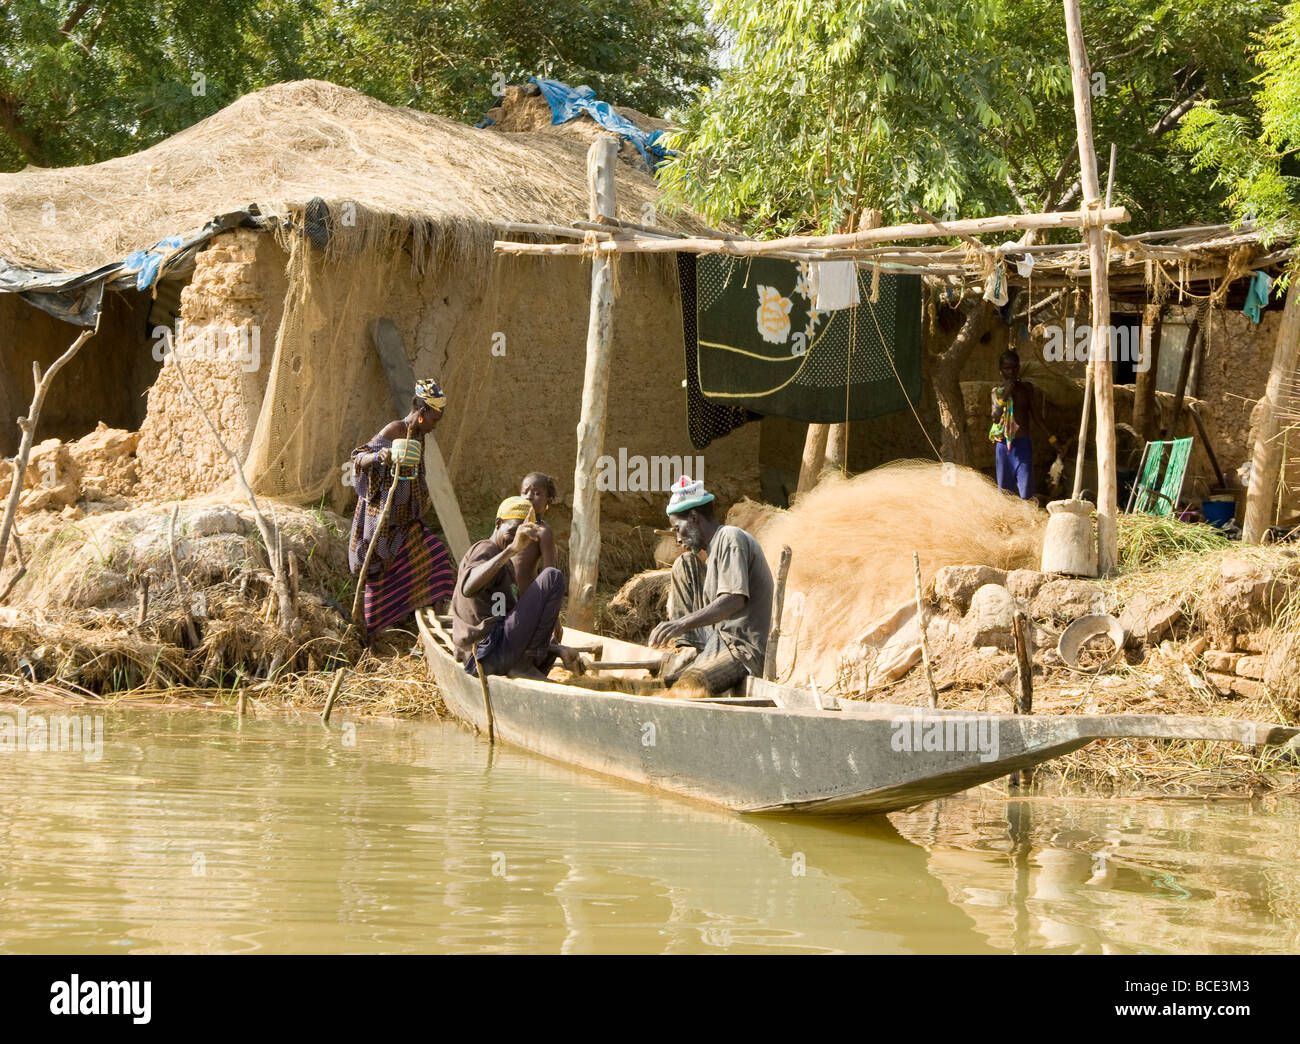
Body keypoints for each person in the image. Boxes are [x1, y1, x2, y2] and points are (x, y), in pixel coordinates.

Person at [348, 378, 455, 636]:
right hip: (382, 520)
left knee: (437, 557)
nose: (434, 425)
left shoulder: (418, 434)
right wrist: (377, 456)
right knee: (377, 571)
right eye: (434, 419)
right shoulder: (394, 430)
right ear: (421, 413)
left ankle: (433, 626)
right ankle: (373, 634)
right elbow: (357, 458)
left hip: (405, 520)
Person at [648, 477, 774, 696]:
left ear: (694, 517)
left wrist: (681, 623)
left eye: (678, 528)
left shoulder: (730, 537)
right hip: (718, 641)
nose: (678, 538)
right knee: (684, 563)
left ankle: (699, 666)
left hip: (742, 650)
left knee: (686, 688)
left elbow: (734, 599)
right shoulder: (712, 550)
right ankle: (695, 649)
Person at [452, 495, 578, 680]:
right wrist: (511, 550)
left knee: (545, 632)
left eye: (523, 537)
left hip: (495, 650)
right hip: (482, 653)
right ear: (498, 524)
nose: (516, 541)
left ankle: (524, 662)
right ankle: (524, 664)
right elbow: (468, 588)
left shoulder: (507, 566)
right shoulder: (485, 549)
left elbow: (512, 618)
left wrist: (556, 648)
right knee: (552, 577)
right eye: (512, 532)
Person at [990, 349, 1061, 500]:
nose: (1011, 371)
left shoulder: (1026, 389)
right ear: (1000, 371)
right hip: (1003, 448)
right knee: (1004, 494)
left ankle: (1029, 521)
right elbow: (995, 417)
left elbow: (1037, 417)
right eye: (1007, 368)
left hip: (1023, 446)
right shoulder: (996, 392)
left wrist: (1053, 441)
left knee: (1026, 490)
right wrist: (1006, 393)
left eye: (1014, 367)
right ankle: (1006, 523)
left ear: (1019, 368)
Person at [514, 471, 559, 596]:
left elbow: (548, 571)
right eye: (525, 492)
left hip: (525, 597)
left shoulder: (543, 532)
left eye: (537, 493)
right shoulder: (510, 525)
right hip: (502, 595)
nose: (528, 496)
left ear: (548, 502)